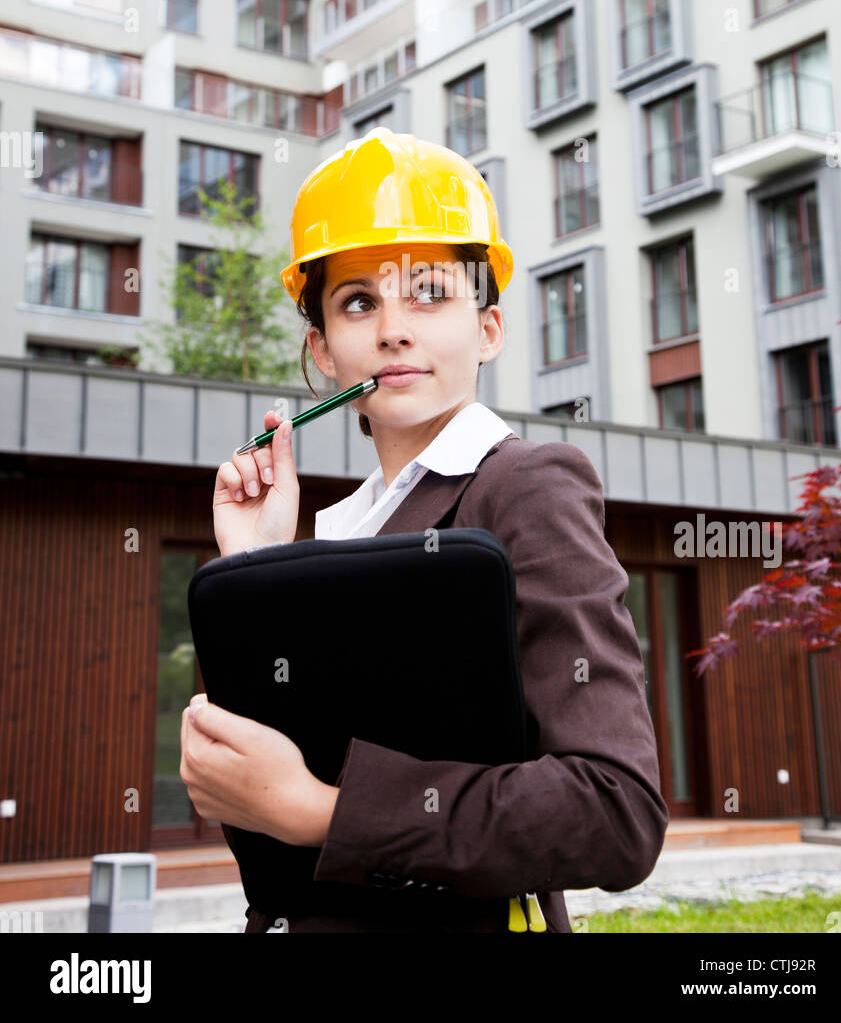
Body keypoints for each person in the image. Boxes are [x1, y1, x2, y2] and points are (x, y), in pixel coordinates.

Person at [180, 127, 669, 934]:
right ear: (323, 351)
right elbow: (258, 814)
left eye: (430, 292)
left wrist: (324, 813)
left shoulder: (525, 485)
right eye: (360, 301)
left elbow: (615, 811)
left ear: (488, 330)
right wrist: (258, 569)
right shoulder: (335, 537)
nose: (393, 329)